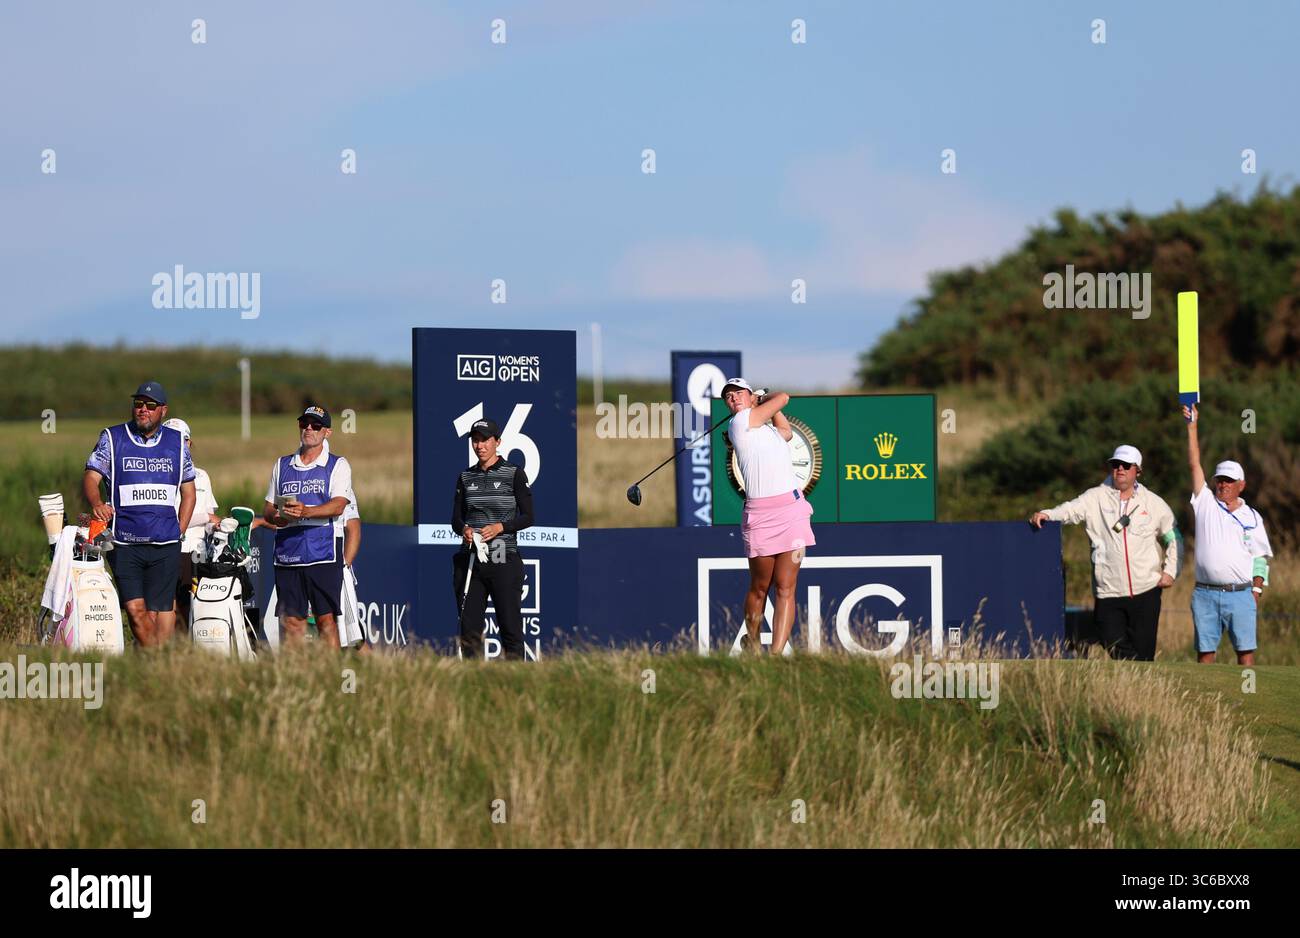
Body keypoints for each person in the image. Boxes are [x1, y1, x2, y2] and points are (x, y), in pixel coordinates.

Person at [1030, 445, 1179, 661]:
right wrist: (1048, 513)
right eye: (1115, 465)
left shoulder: (1154, 503)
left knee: (1145, 653)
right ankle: (1136, 674)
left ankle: (1140, 690)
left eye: (1126, 466)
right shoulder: (1095, 497)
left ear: (1138, 470)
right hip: (1108, 591)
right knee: (1112, 641)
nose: (1119, 469)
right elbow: (1071, 509)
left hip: (1146, 590)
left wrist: (1170, 571)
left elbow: (1173, 538)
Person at [83, 381, 197, 647]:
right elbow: (91, 476)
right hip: (126, 544)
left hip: (165, 543)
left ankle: (153, 666)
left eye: (150, 405)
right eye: (138, 404)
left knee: (161, 611)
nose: (143, 409)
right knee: (136, 612)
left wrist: (178, 530)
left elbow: (189, 493)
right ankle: (155, 657)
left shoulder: (177, 442)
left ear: (163, 411)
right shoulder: (112, 437)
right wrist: (97, 502)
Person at [723, 378, 815, 656]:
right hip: (762, 516)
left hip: (793, 512)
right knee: (760, 587)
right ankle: (752, 640)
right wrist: (762, 399)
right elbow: (784, 396)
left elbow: (785, 430)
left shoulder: (770, 433)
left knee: (786, 587)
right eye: (728, 396)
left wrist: (765, 404)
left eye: (740, 393)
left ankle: (775, 656)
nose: (733, 398)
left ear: (751, 397)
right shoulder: (740, 423)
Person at [1183, 404, 1272, 665]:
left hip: (1241, 594)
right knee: (1205, 652)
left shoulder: (1252, 517)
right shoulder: (1205, 502)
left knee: (1245, 652)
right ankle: (1206, 699)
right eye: (1220, 480)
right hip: (1205, 593)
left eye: (1229, 481)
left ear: (1241, 485)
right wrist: (1192, 426)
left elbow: (1260, 557)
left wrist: (1256, 591)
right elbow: (1194, 463)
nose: (1223, 484)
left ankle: (1249, 697)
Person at [262, 405, 352, 648]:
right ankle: (297, 679)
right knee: (292, 621)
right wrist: (278, 518)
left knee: (325, 620)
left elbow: (339, 506)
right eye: (304, 424)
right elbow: (268, 508)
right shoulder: (282, 464)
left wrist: (306, 512)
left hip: (323, 553)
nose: (309, 429)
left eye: (316, 425)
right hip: (288, 554)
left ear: (327, 433)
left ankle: (331, 677)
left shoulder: (338, 464)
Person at [451, 418, 534, 660]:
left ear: (497, 442)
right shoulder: (465, 477)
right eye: (475, 440)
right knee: (470, 632)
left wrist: (501, 527)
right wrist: (464, 530)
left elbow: (528, 516)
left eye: (485, 440)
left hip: (503, 557)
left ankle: (514, 685)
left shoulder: (514, 474)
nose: (479, 446)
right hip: (472, 560)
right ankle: (473, 686)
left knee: (510, 628)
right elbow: (455, 520)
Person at [162, 418, 219, 633]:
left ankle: (187, 651)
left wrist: (217, 527)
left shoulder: (202, 476)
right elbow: (172, 519)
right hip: (170, 547)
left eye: (183, 440)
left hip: (197, 552)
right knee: (168, 605)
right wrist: (206, 517)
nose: (179, 445)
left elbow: (210, 518)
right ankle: (165, 651)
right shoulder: (158, 474)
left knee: (192, 605)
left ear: (189, 443)